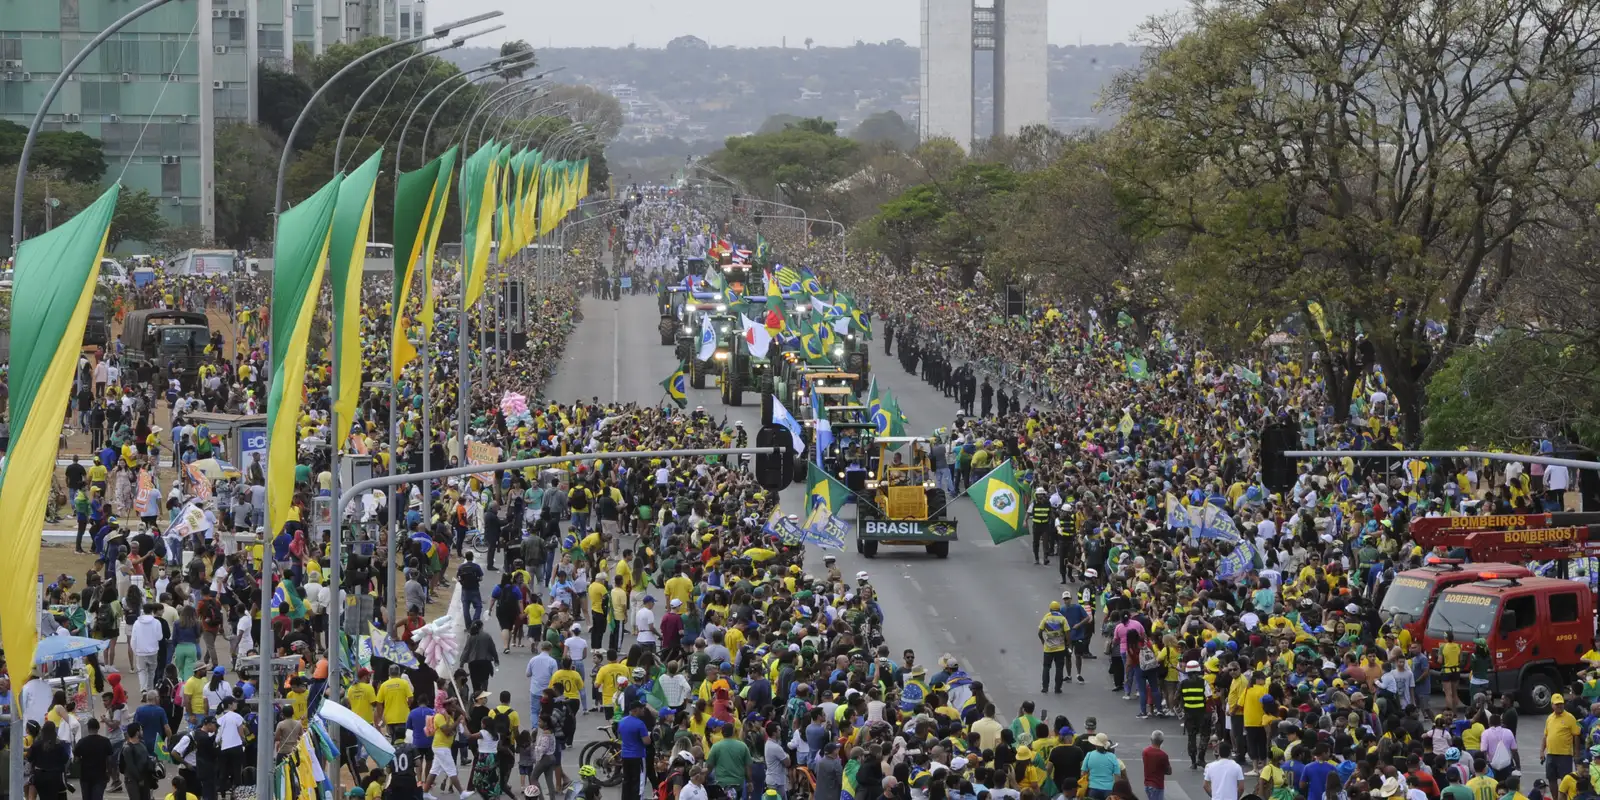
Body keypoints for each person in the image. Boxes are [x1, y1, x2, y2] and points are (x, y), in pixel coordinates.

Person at [618, 703, 653, 800]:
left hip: (625, 755)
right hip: (638, 756)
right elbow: (646, 741)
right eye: (641, 708)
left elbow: (620, 737)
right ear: (636, 710)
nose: (643, 710)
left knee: (627, 780)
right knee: (639, 781)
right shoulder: (640, 724)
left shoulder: (622, 721)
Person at [76, 717, 114, 800]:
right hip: (100, 775)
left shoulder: (82, 742)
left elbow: (76, 759)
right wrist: (109, 772)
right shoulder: (105, 741)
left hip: (85, 776)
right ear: (98, 728)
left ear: (88, 728)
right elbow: (110, 759)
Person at [120, 722, 159, 800]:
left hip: (144, 779)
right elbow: (131, 766)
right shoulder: (128, 748)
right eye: (141, 730)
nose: (142, 731)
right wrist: (140, 779)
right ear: (137, 732)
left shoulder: (142, 743)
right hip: (133, 780)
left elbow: (146, 758)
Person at [1038, 600, 1069, 693]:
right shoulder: (1063, 619)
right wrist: (1067, 643)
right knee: (1059, 668)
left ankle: (1045, 687)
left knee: (1046, 667)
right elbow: (1067, 632)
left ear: (1050, 609)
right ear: (1059, 609)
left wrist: (1043, 641)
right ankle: (1057, 688)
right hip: (1060, 648)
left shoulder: (1046, 618)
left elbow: (1039, 632)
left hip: (1048, 648)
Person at [1143, 731, 1172, 800]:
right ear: (1162, 741)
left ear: (1151, 739)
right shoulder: (1163, 755)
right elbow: (1169, 772)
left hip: (1147, 784)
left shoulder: (1145, 752)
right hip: (1157, 785)